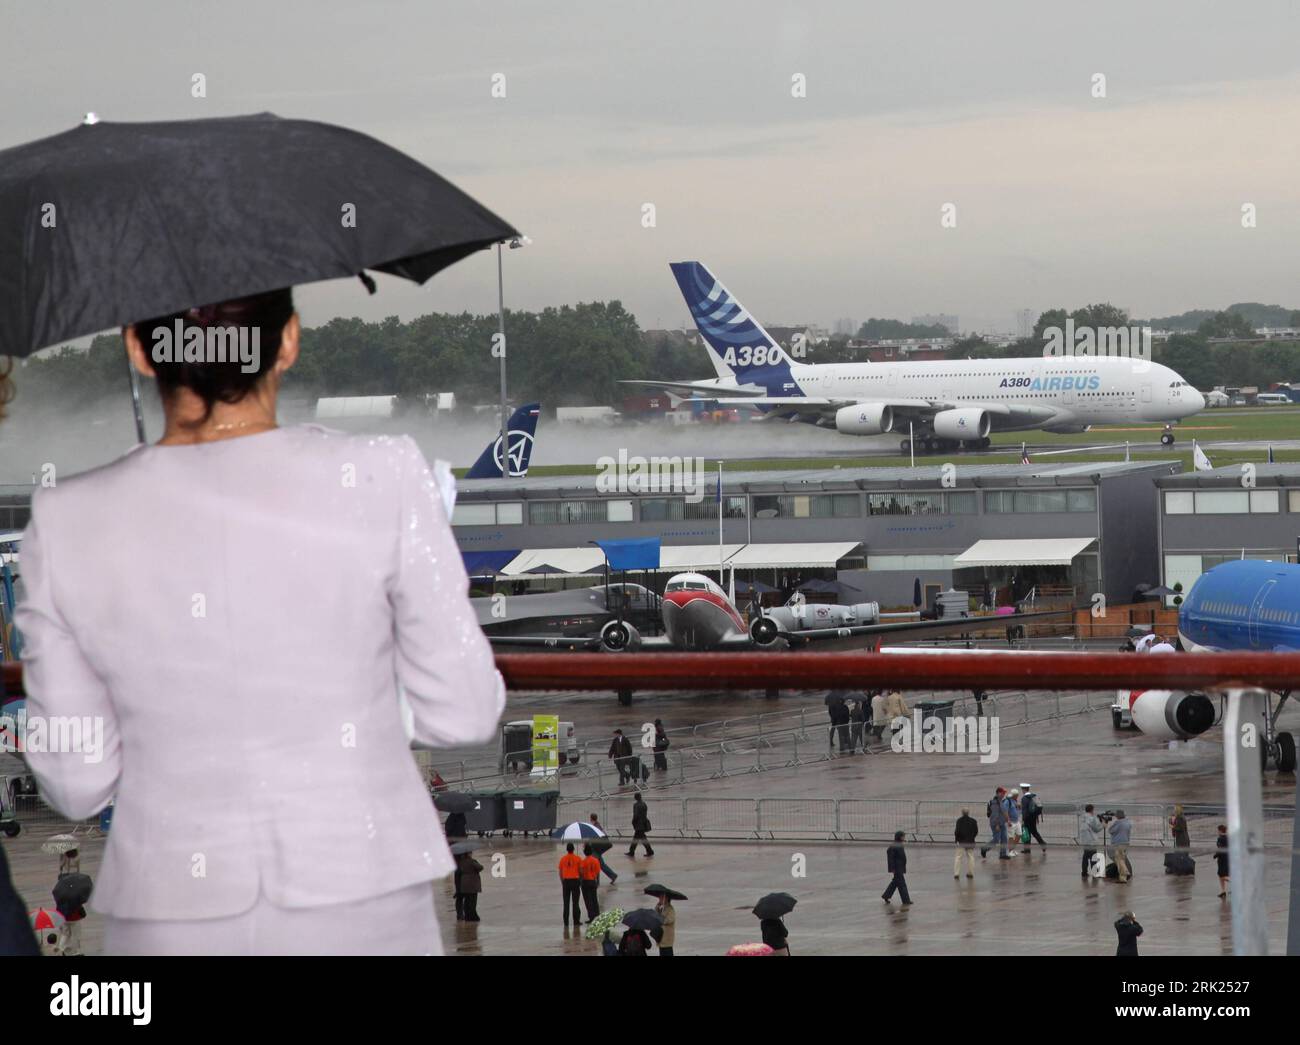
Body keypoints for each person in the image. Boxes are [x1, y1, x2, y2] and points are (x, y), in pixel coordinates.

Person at [15, 290, 505, 956]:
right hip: (364, 900)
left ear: (138, 348)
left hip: (171, 913)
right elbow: (464, 712)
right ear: (290, 341)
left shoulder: (66, 518)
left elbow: (75, 781)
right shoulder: (386, 474)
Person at [882, 831, 912, 904]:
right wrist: (892, 869)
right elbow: (890, 858)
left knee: (895, 883)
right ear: (899, 837)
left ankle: (886, 896)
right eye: (903, 836)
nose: (904, 838)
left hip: (900, 867)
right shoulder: (894, 846)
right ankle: (906, 900)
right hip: (897, 868)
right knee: (902, 884)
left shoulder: (899, 844)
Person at [981, 786, 1011, 859]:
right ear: (998, 793)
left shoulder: (1001, 801)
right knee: (996, 839)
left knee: (1004, 839)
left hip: (1002, 823)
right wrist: (997, 825)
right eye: (1002, 793)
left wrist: (1008, 821)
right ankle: (984, 848)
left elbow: (1004, 812)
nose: (1004, 794)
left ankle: (1003, 854)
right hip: (996, 824)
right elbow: (995, 815)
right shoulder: (995, 802)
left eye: (1004, 793)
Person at [559, 843, 583, 928]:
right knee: (575, 903)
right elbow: (580, 871)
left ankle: (566, 922)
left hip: (566, 882)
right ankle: (576, 921)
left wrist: (563, 882)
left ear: (567, 849)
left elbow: (560, 873)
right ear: (573, 849)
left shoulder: (562, 859)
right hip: (575, 881)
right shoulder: (578, 858)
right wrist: (580, 880)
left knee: (566, 903)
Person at [455, 850, 483, 923]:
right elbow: (480, 868)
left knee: (467, 901)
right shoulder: (472, 861)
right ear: (468, 854)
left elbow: (458, 872)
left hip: (464, 884)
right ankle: (473, 917)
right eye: (471, 853)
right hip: (472, 884)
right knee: (473, 901)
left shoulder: (461, 862)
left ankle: (467, 916)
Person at [590, 814, 618, 883]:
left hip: (596, 849)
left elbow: (595, 838)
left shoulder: (595, 827)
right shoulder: (597, 825)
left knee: (595, 865)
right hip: (597, 849)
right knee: (601, 865)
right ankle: (613, 875)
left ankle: (597, 881)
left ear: (591, 819)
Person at [1079, 804, 1103, 878]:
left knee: (1085, 857)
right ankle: (1095, 872)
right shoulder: (1091, 818)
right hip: (1091, 840)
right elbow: (1096, 829)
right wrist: (1103, 825)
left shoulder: (1083, 817)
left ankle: (1084, 872)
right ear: (1092, 810)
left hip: (1084, 840)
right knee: (1093, 857)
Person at [1109, 810, 1133, 883]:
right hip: (1126, 842)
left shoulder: (1118, 823)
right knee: (1122, 859)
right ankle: (1123, 877)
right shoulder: (1128, 822)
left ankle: (1125, 872)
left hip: (1118, 843)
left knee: (1119, 860)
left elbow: (1110, 830)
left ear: (1117, 816)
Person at [1020, 783, 1046, 851]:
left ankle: (1027, 849)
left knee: (1027, 832)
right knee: (1034, 832)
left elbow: (1024, 810)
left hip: (1027, 818)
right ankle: (1042, 844)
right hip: (1033, 817)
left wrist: (1023, 819)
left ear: (1023, 789)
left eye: (1022, 789)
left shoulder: (1024, 798)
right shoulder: (1033, 796)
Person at [954, 808, 978, 878]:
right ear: (968, 813)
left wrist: (957, 840)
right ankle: (970, 873)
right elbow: (976, 831)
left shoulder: (959, 821)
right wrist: (972, 837)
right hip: (970, 841)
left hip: (961, 841)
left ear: (962, 813)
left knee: (958, 857)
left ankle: (956, 873)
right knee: (971, 857)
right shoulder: (973, 821)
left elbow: (957, 832)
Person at [579, 845, 602, 921]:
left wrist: (581, 881)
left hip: (585, 882)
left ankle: (591, 916)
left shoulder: (583, 861)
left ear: (585, 853)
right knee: (594, 899)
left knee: (588, 900)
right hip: (593, 881)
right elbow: (598, 872)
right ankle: (597, 914)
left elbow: (581, 873)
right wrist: (598, 881)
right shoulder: (596, 860)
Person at [1004, 788, 1023, 857]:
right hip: (1011, 821)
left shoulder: (1015, 800)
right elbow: (1005, 812)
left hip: (1017, 821)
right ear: (1014, 795)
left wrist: (1020, 807)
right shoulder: (1007, 801)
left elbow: (1018, 809)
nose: (1018, 796)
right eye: (1017, 795)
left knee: (1019, 834)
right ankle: (1010, 851)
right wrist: (1008, 820)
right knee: (1011, 837)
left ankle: (1012, 849)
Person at [1215, 824, 1230, 897]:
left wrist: (1216, 855)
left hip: (1222, 859)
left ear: (1220, 831)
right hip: (1227, 857)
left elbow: (1220, 849)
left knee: (1222, 875)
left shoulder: (1220, 839)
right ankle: (1223, 891)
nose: (1217, 832)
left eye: (1217, 830)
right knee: (1221, 875)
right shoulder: (1228, 838)